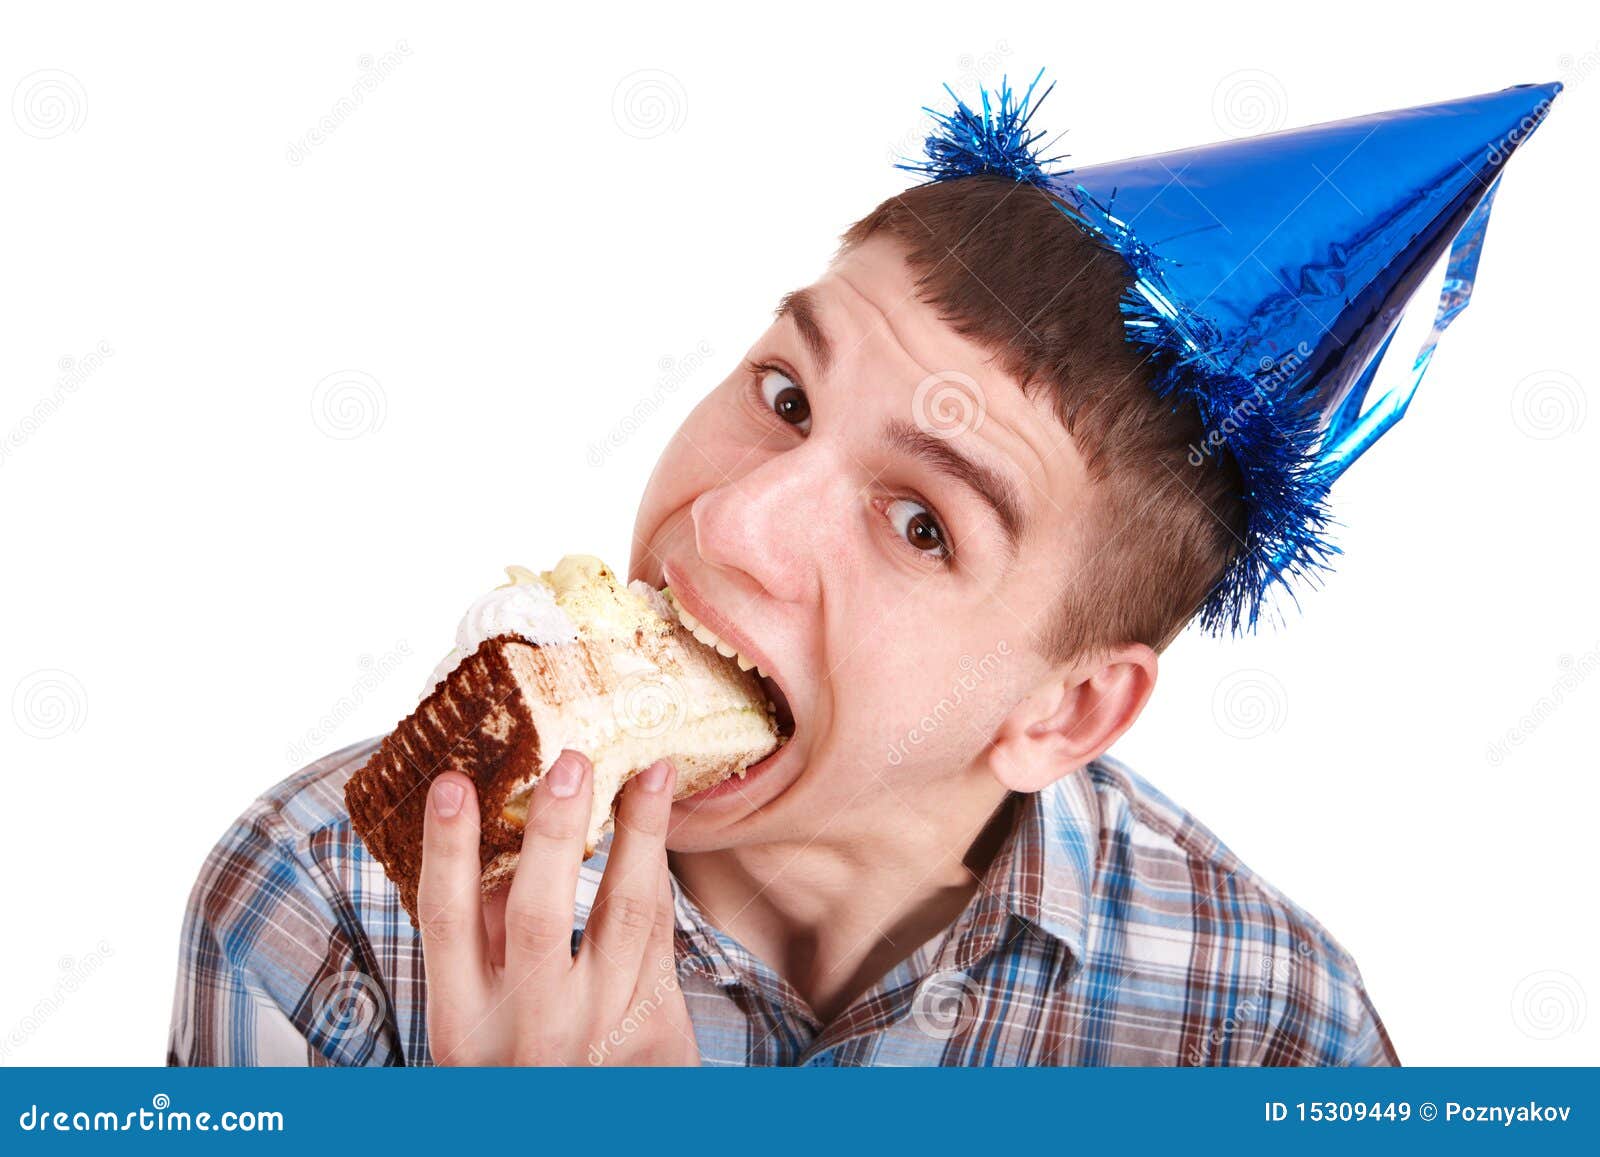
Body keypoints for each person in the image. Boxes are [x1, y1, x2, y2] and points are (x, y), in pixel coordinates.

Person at [169, 75, 1559, 1066]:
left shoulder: (1263, 1033)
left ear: (1062, 714)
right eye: (784, 394)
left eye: (920, 524)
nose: (731, 527)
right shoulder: (326, 912)